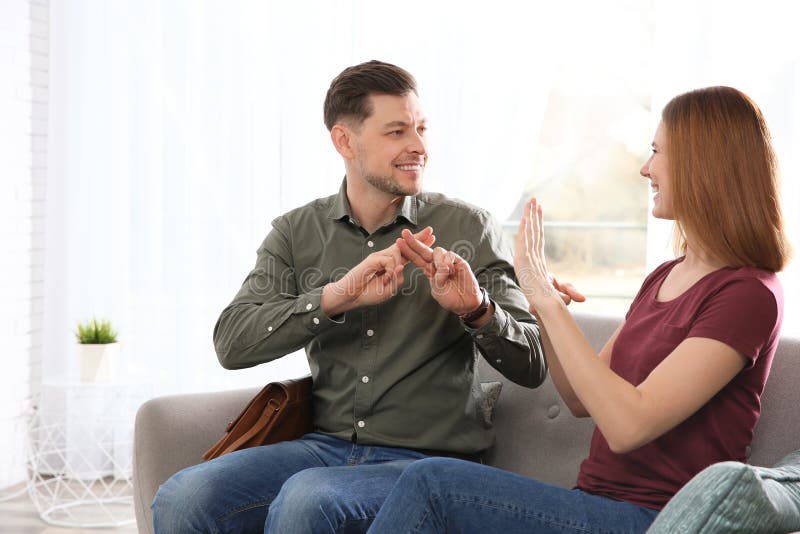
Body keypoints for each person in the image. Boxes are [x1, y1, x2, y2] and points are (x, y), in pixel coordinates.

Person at [151, 60, 553, 534]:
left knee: (308, 500)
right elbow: (232, 342)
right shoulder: (295, 233)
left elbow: (533, 362)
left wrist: (477, 309)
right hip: (324, 447)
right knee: (183, 496)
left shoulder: (469, 228)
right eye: (397, 132)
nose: (419, 147)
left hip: (429, 463)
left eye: (421, 129)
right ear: (345, 141)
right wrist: (334, 299)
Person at [367, 86, 790, 533]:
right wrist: (544, 305)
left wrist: (547, 304)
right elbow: (577, 399)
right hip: (592, 504)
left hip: (651, 519)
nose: (646, 169)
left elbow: (629, 425)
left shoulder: (748, 294)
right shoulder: (665, 276)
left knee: (432, 483)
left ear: (703, 163)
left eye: (657, 152)